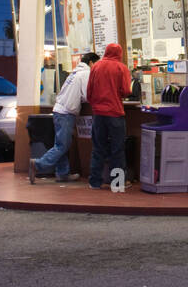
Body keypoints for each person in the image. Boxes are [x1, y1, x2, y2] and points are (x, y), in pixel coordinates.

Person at [28, 52, 100, 184]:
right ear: (91, 63)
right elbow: (87, 95)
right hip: (66, 113)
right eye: (96, 63)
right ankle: (38, 164)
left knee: (61, 144)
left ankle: (62, 173)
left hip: (59, 110)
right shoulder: (85, 74)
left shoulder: (74, 73)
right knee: (62, 145)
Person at [86, 43, 131, 190]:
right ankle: (117, 183)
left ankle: (94, 182)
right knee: (117, 149)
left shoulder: (96, 67)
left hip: (98, 114)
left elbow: (89, 92)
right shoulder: (121, 68)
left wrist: (96, 105)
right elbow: (125, 91)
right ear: (120, 53)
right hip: (115, 113)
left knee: (98, 148)